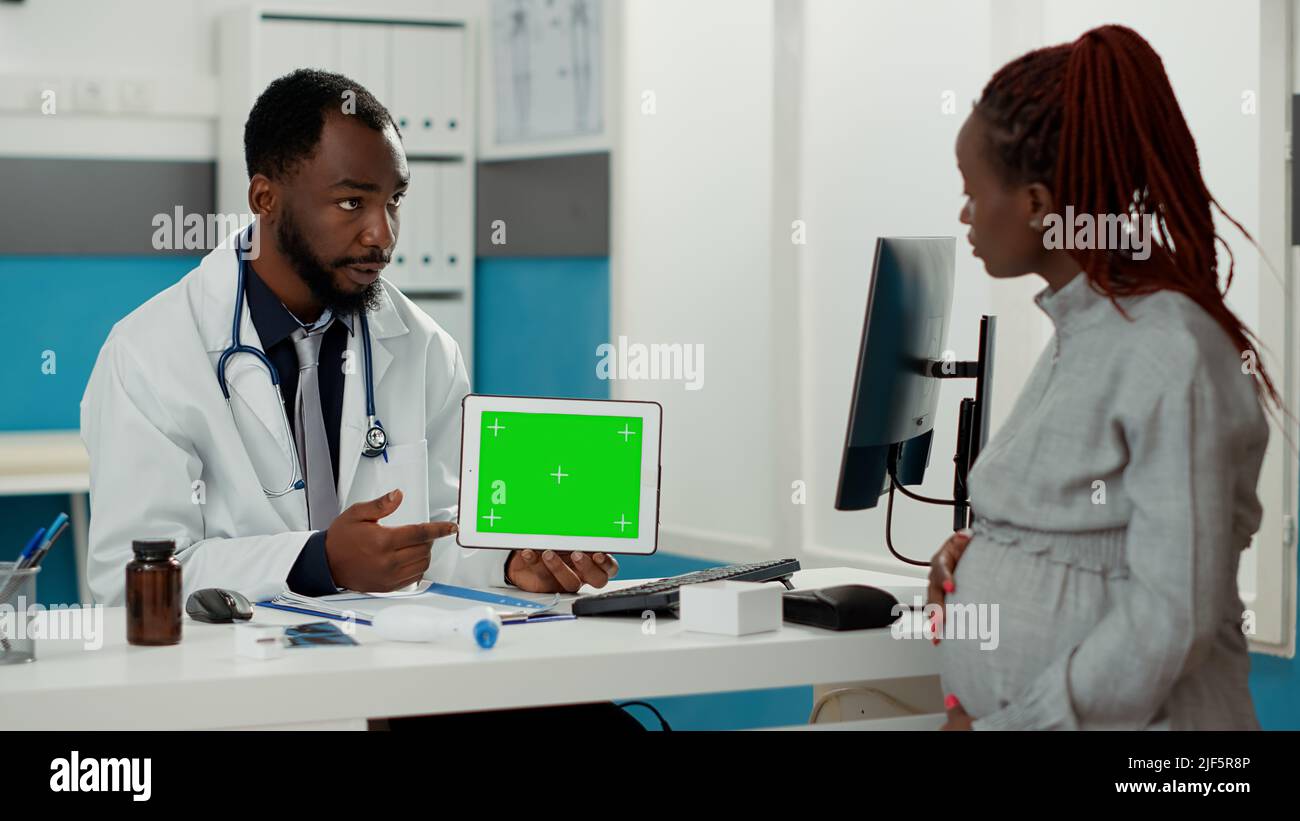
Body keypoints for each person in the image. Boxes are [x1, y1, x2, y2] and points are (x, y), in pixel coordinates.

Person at [81, 69, 619, 606]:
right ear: (265, 199)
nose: (382, 235)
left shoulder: (424, 347)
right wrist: (319, 562)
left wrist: (506, 564)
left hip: (388, 670)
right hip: (229, 680)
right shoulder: (149, 354)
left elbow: (437, 533)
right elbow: (133, 578)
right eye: (351, 203)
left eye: (394, 201)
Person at [928, 25, 1274, 730]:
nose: (964, 213)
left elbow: (1170, 621)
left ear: (1035, 204)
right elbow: (1085, 533)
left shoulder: (1169, 349)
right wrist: (982, 551)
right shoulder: (1087, 332)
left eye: (972, 191)